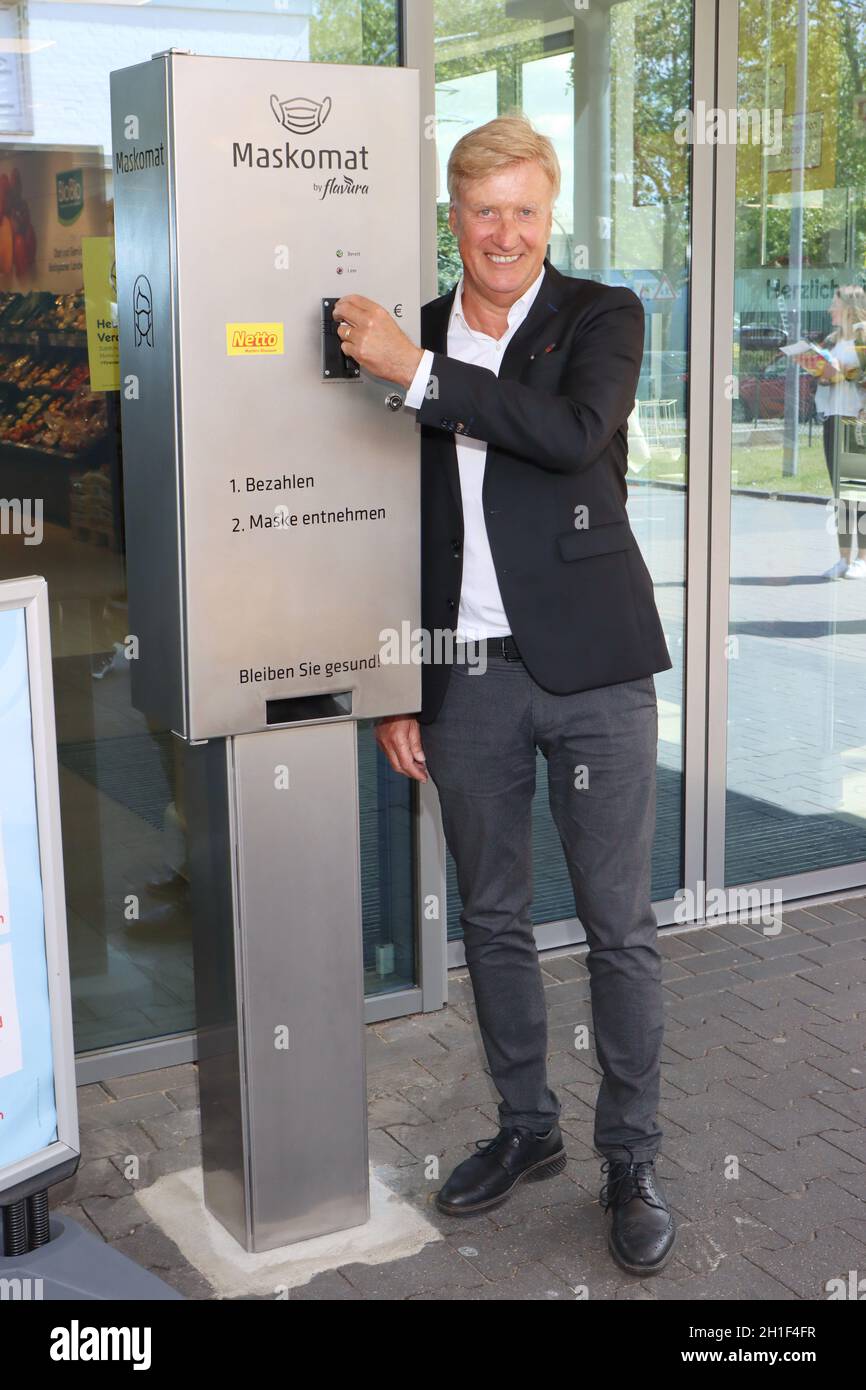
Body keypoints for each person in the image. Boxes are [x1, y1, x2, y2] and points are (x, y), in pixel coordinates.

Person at [331, 113, 676, 1277]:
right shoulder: (410, 331)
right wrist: (393, 678)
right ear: (453, 216)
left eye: (525, 210)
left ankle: (628, 1155)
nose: (504, 233)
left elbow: (571, 435)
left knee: (617, 926)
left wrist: (422, 374)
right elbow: (385, 514)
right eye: (484, 211)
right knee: (489, 918)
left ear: (549, 214)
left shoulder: (600, 318)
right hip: (462, 672)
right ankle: (526, 1129)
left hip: (595, 672)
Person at [795, 284, 866, 578]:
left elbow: (862, 376)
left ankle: (861, 559)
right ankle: (843, 559)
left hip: (856, 420)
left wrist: (844, 373)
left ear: (849, 307)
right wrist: (822, 372)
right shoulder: (833, 340)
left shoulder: (863, 336)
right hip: (833, 419)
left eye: (834, 304)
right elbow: (829, 380)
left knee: (858, 491)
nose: (829, 310)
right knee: (840, 493)